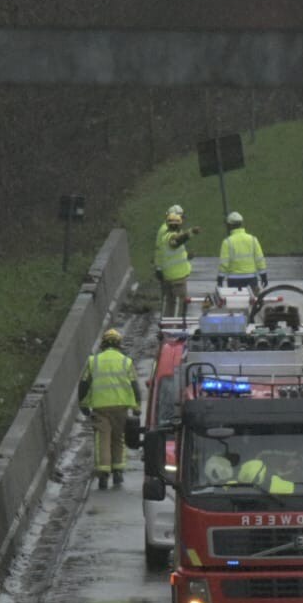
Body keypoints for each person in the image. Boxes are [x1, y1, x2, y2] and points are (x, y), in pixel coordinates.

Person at [77, 328, 143, 490]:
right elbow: (135, 385)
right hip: (121, 407)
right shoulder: (125, 361)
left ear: (103, 344)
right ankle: (118, 470)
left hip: (100, 407)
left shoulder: (94, 361)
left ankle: (103, 473)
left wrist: (83, 404)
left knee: (103, 439)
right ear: (119, 344)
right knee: (118, 438)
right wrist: (137, 406)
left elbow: (83, 384)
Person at [154, 205, 198, 319]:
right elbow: (174, 242)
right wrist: (190, 233)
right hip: (176, 276)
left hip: (168, 274)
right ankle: (174, 329)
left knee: (168, 303)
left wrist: (187, 256)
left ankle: (165, 327)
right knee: (178, 304)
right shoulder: (169, 233)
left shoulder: (165, 230)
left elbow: (170, 252)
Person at [217, 211, 267, 294]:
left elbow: (224, 264)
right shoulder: (253, 239)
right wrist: (263, 276)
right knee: (253, 304)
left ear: (230, 225)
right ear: (241, 224)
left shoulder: (227, 242)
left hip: (234, 280)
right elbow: (260, 260)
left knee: (236, 303)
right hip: (251, 279)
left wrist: (220, 279)